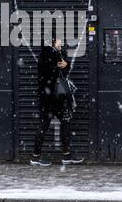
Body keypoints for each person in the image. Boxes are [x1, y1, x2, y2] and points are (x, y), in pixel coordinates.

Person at [30, 38, 85, 166]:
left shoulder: (55, 54)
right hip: (49, 99)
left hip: (57, 98)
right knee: (44, 126)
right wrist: (64, 64)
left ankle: (66, 155)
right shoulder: (47, 54)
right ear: (52, 42)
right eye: (59, 44)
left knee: (65, 122)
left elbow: (62, 72)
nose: (61, 45)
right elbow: (53, 73)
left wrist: (66, 64)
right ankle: (35, 157)